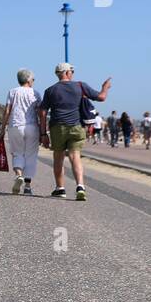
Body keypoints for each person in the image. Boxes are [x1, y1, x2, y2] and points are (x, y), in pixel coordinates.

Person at [38, 62, 110, 201]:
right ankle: (80, 187)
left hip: (57, 127)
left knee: (58, 157)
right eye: (72, 71)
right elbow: (102, 97)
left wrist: (43, 134)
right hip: (76, 127)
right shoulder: (80, 86)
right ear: (66, 72)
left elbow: (42, 112)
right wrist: (105, 87)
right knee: (75, 156)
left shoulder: (50, 90)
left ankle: (60, 189)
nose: (72, 74)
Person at [0, 69, 42, 195]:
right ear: (28, 80)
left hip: (15, 126)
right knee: (31, 155)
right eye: (33, 79)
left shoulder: (12, 92)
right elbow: (40, 113)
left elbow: (7, 111)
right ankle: (27, 186)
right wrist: (43, 130)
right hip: (32, 127)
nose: (33, 81)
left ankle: (19, 175)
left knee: (17, 153)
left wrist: (2, 128)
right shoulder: (36, 93)